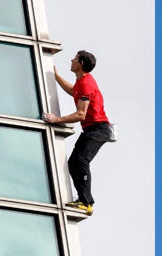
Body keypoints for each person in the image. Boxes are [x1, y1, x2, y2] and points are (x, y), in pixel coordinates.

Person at [43, 50, 111, 216]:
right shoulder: (81, 82)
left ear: (80, 64)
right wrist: (56, 77)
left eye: (75, 58)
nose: (71, 60)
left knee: (81, 161)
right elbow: (73, 91)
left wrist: (56, 119)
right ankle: (84, 200)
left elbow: (81, 114)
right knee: (74, 162)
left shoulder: (86, 84)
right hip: (91, 129)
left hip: (98, 130)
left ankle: (86, 203)